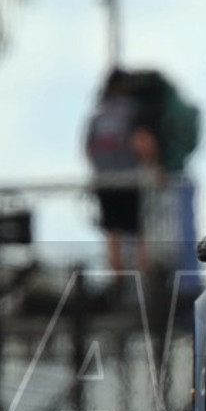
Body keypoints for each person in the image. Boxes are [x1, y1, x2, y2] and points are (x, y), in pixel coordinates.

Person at [84, 69, 159, 281]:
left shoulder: (97, 116)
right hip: (129, 180)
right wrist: (154, 166)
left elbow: (88, 149)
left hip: (104, 182)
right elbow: (143, 143)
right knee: (137, 231)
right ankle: (144, 280)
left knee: (112, 231)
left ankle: (117, 280)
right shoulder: (132, 111)